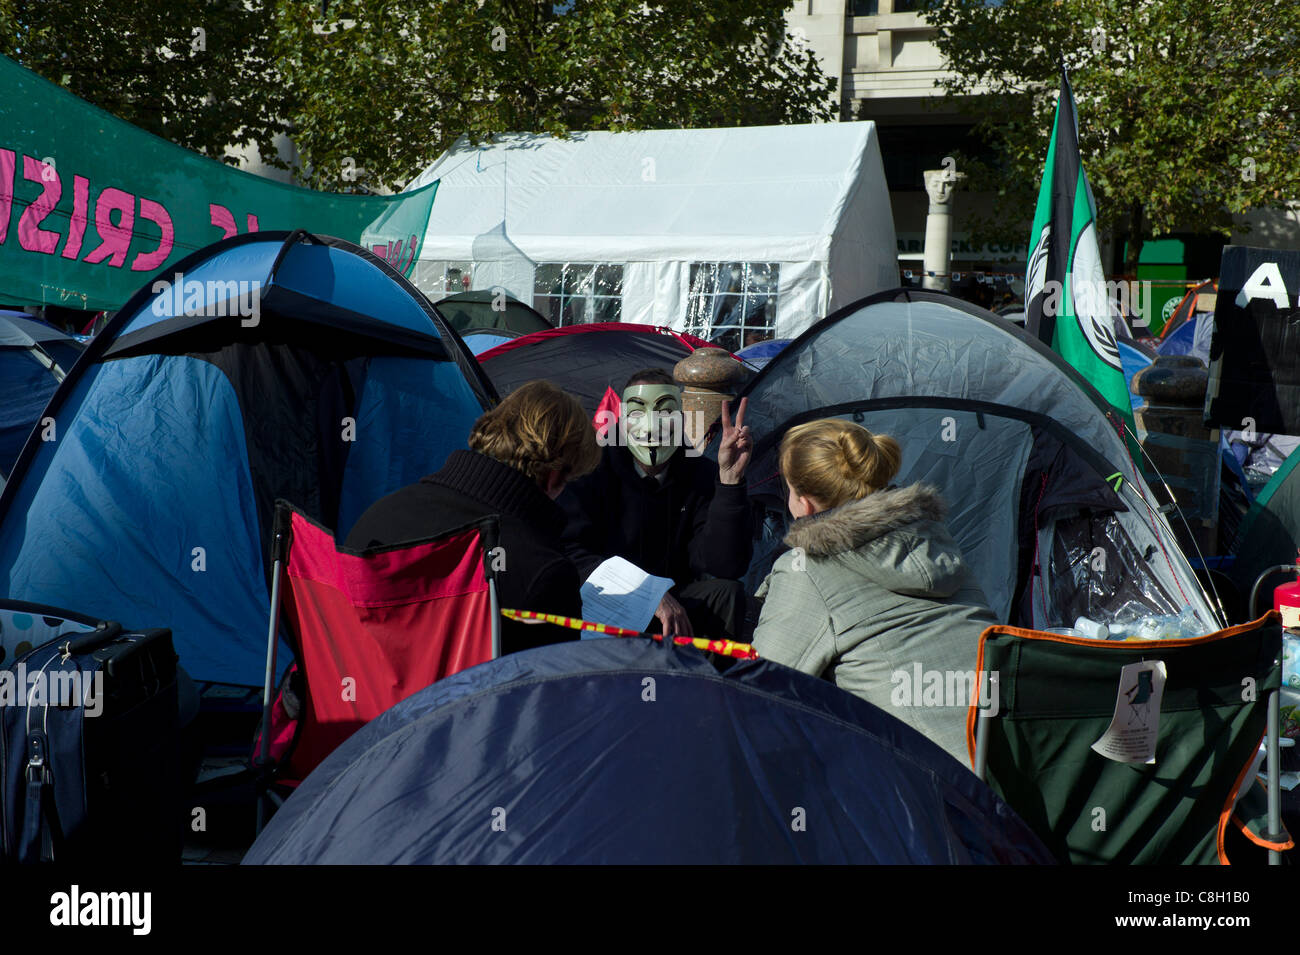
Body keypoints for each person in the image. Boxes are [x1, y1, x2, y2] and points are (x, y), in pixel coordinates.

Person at [750, 418, 996, 768]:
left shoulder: (807, 570)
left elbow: (758, 691)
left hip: (934, 786)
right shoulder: (936, 543)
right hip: (1009, 767)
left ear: (803, 504)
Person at [345, 380, 600, 655]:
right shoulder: (544, 572)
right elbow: (552, 691)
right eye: (569, 480)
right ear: (554, 475)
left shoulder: (379, 515)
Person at [559, 368, 753, 640]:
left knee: (728, 592)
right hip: (607, 605)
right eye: (637, 413)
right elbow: (570, 552)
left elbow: (725, 566)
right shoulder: (592, 472)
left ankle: (704, 680)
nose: (651, 427)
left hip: (677, 611)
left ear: (681, 419)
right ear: (621, 420)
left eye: (664, 413)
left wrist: (730, 483)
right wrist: (644, 594)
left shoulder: (700, 475)